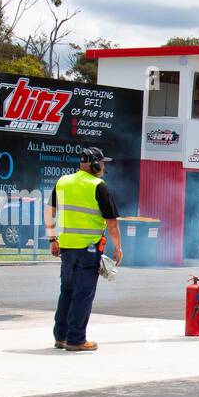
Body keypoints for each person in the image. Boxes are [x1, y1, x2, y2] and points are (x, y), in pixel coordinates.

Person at [46, 147, 122, 352]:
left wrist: (52, 238)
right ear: (95, 164)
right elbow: (112, 223)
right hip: (88, 249)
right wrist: (118, 247)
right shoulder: (98, 186)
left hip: (67, 247)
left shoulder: (63, 182)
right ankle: (76, 339)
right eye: (102, 163)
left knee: (67, 291)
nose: (104, 167)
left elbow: (49, 211)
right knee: (83, 293)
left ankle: (61, 337)